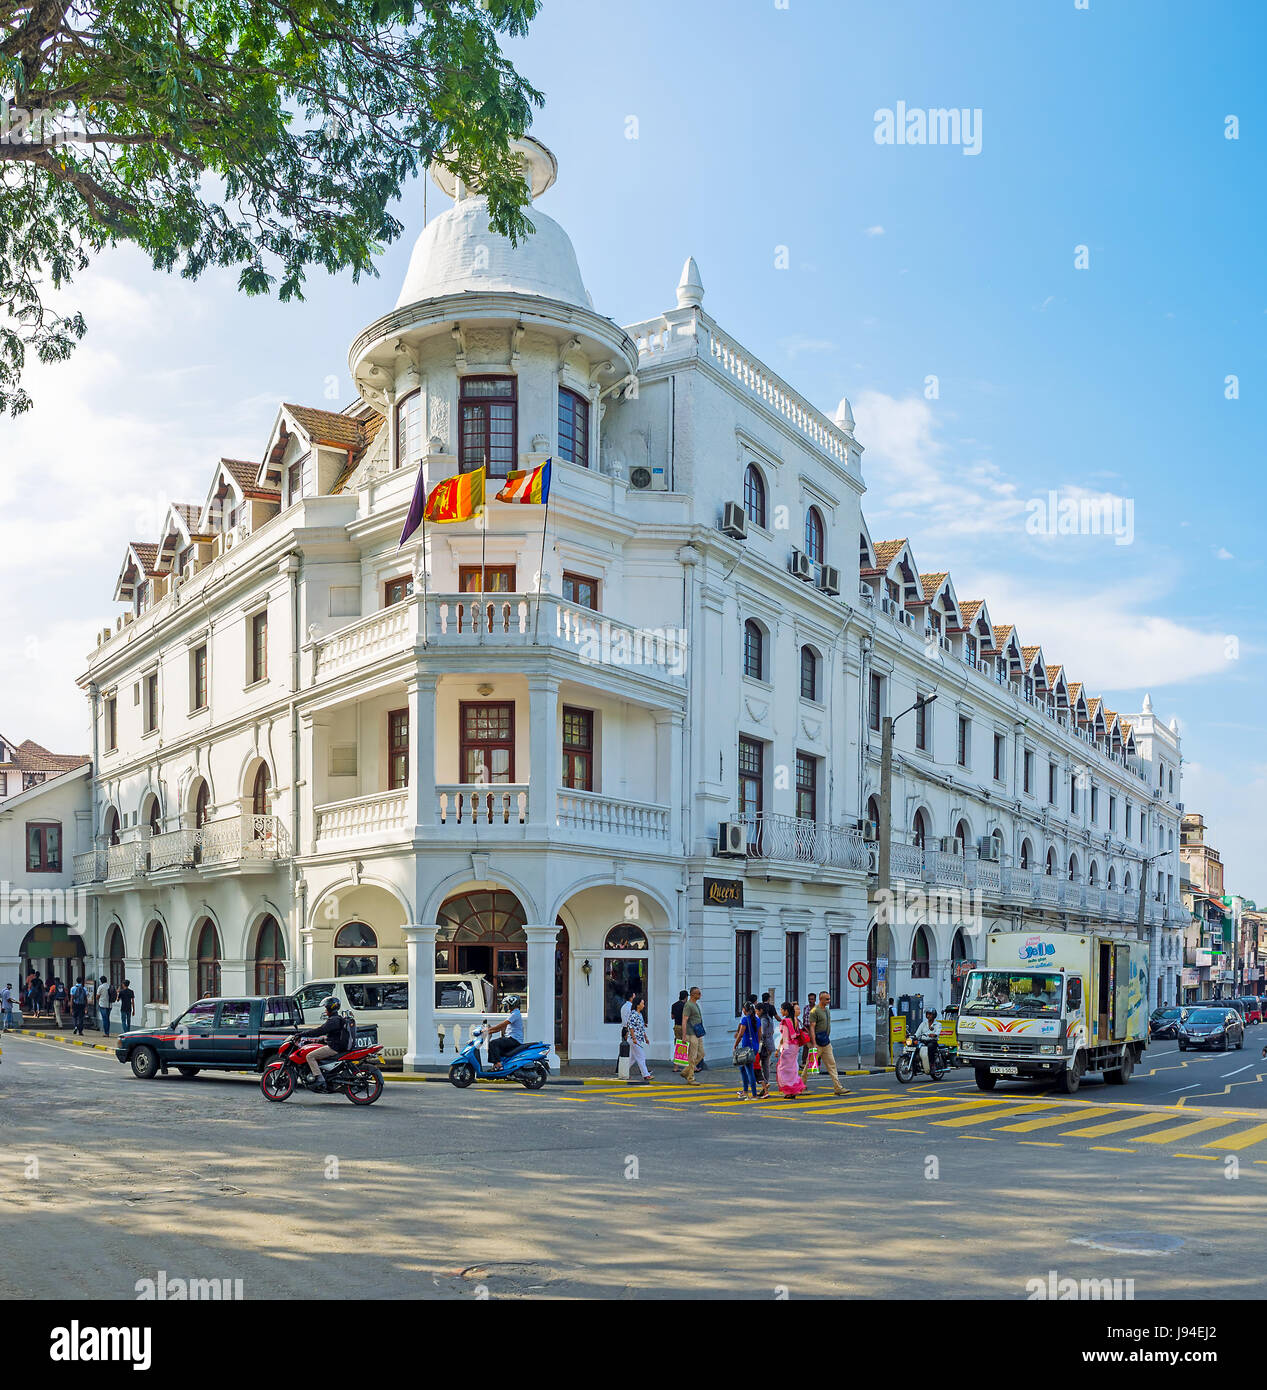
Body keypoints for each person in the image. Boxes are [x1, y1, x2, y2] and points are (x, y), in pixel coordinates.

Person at [297, 995, 352, 1090]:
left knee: (310, 1056)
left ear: (330, 1008)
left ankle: (319, 1079)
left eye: (326, 1008)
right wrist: (321, 1040)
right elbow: (332, 1034)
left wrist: (302, 1034)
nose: (325, 1010)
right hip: (337, 1045)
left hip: (334, 1048)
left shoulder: (333, 1020)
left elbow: (320, 1030)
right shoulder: (337, 1018)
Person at [802, 990, 849, 1096]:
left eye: (829, 998)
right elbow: (812, 1028)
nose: (829, 1001)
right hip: (817, 1043)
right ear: (821, 999)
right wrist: (813, 1043)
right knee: (809, 1065)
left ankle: (838, 1087)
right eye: (827, 999)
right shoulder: (814, 1011)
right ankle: (801, 1086)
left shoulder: (827, 1010)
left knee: (832, 1064)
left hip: (826, 1042)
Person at [485, 995, 525, 1067]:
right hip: (512, 1038)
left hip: (514, 1039)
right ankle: (496, 1066)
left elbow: (503, 1024)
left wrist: (489, 1029)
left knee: (493, 1043)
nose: (505, 1006)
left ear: (511, 1004)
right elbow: (501, 1028)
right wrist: (490, 1031)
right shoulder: (514, 1013)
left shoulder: (515, 1014)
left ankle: (498, 1064)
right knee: (496, 1047)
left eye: (506, 1004)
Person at [776, 1002, 806, 1098]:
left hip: (788, 1046)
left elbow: (784, 1037)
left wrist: (779, 1049)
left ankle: (789, 1090)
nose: (780, 1011)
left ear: (786, 1010)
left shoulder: (785, 1021)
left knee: (782, 1069)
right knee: (792, 1068)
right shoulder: (795, 1019)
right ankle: (793, 1090)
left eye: (781, 1009)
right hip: (795, 1046)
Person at [733, 1001, 761, 1100]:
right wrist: (757, 1044)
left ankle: (754, 1094)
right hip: (754, 1047)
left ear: (745, 1010)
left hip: (746, 1048)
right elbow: (759, 1035)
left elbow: (740, 1034)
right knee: (743, 1068)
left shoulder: (745, 1020)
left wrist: (735, 1045)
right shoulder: (757, 1020)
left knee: (749, 1070)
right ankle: (745, 1091)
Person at [681, 986, 705, 1083]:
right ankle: (690, 1077)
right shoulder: (688, 1005)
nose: (700, 995)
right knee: (692, 1056)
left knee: (701, 1054)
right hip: (691, 1034)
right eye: (698, 993)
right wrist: (684, 1035)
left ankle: (685, 1071)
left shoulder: (696, 1004)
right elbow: (684, 1020)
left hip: (697, 1034)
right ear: (692, 994)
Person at [626, 994, 653, 1084]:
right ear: (638, 1004)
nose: (643, 1005)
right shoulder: (633, 1014)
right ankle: (646, 1074)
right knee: (641, 1056)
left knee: (632, 1058)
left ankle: (623, 1072)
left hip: (638, 1039)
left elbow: (641, 1028)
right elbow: (631, 1027)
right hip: (634, 1039)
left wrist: (646, 1037)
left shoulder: (639, 1014)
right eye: (642, 1003)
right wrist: (634, 1038)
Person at [915, 1008, 942, 1080]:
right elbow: (918, 1032)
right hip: (923, 1041)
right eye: (927, 1014)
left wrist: (934, 1035)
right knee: (915, 1047)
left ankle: (932, 1065)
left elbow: (938, 1032)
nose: (928, 1016)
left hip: (932, 1041)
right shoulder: (923, 1024)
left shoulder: (938, 1024)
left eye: (930, 1014)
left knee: (930, 1047)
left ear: (934, 1015)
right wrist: (914, 1036)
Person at [756, 1001, 776, 1099]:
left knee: (761, 1066)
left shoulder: (763, 1019)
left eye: (757, 1011)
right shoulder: (769, 1018)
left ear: (761, 1010)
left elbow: (762, 1033)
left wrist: (759, 1040)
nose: (756, 1013)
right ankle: (766, 1084)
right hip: (770, 1043)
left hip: (764, 1045)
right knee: (766, 1065)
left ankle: (765, 1084)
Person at [671, 989, 688, 1070]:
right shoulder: (686, 1006)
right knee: (686, 1045)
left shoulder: (674, 1005)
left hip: (676, 1026)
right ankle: (687, 1066)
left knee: (678, 1045)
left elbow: (672, 1017)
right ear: (686, 997)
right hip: (684, 1027)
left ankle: (676, 1067)